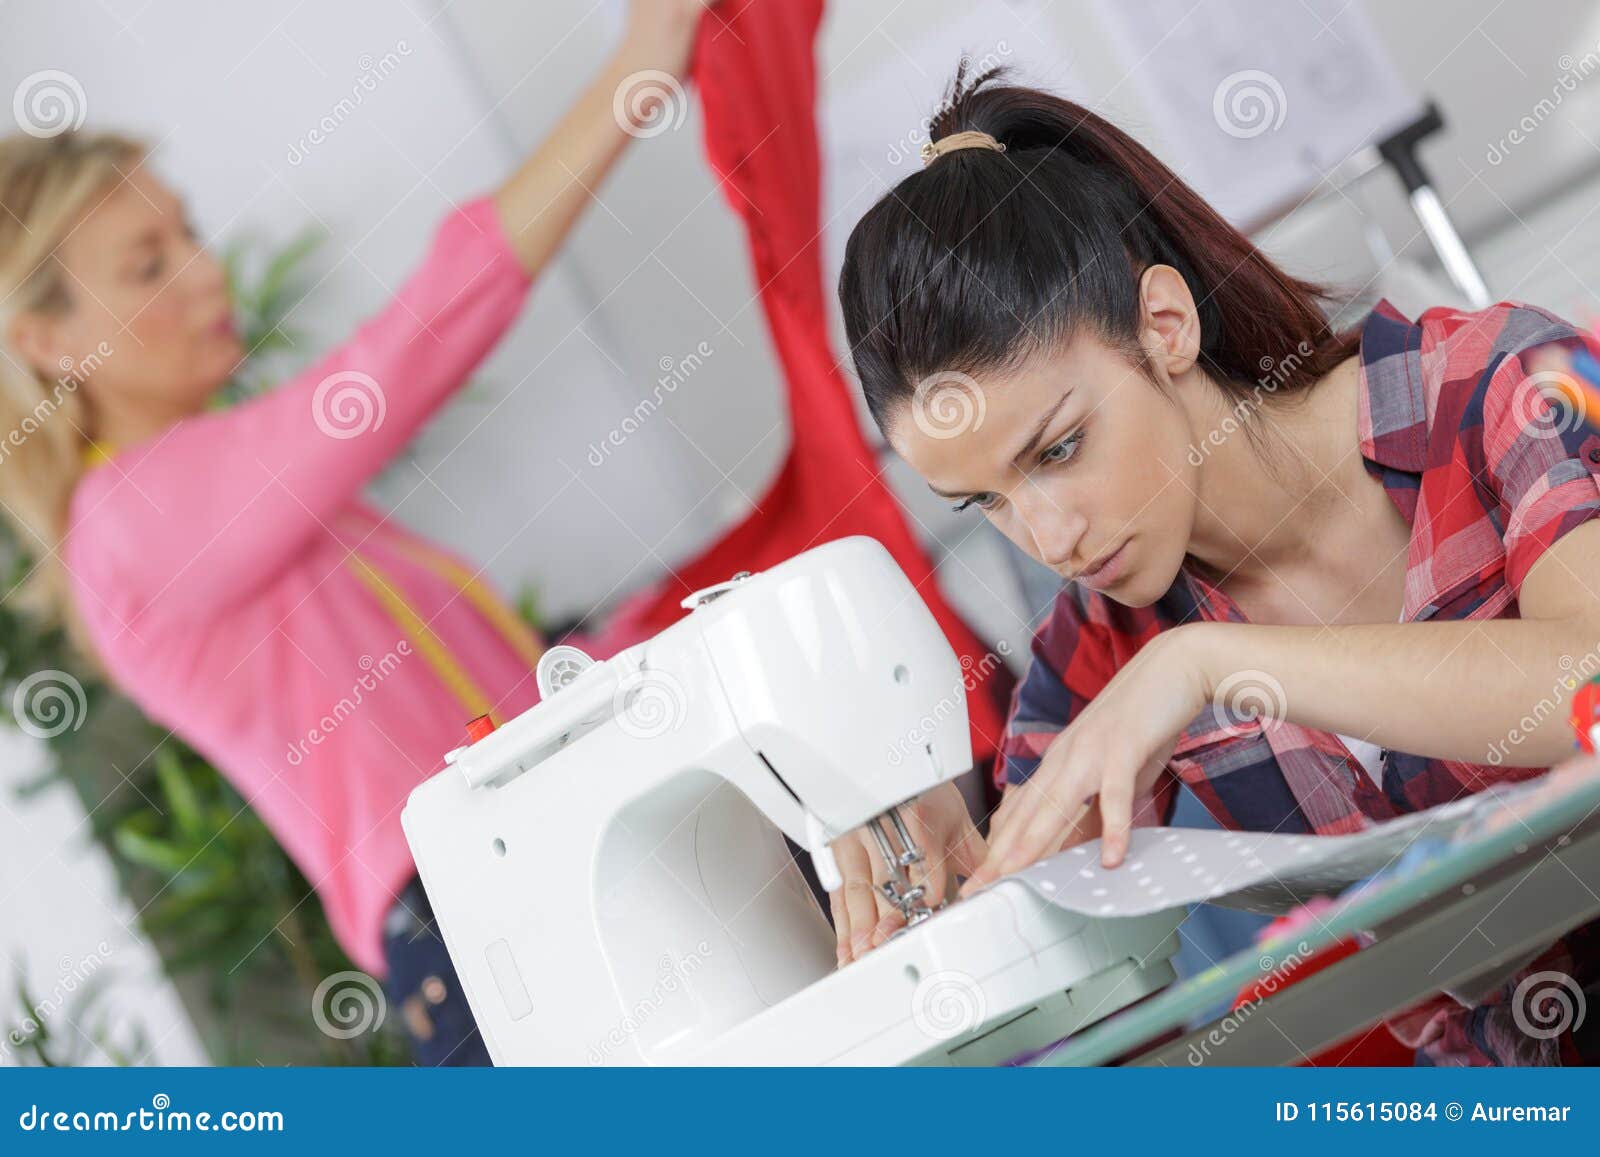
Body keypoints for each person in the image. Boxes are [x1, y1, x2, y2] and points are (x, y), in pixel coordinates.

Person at [828, 64, 1600, 1066]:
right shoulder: (1096, 652)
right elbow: (1017, 969)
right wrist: (920, 840)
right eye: (985, 502)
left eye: (1057, 449)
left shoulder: (1509, 383)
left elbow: (1586, 679)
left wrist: (1211, 663)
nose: (1049, 536)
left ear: (1165, 325)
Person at [0, 0, 713, 1066]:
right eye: (149, 264)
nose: (206, 272)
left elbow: (489, 709)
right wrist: (638, 71)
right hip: (484, 920)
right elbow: (402, 359)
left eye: (189, 232)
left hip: (534, 872)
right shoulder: (127, 525)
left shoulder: (275, 511)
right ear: (46, 339)